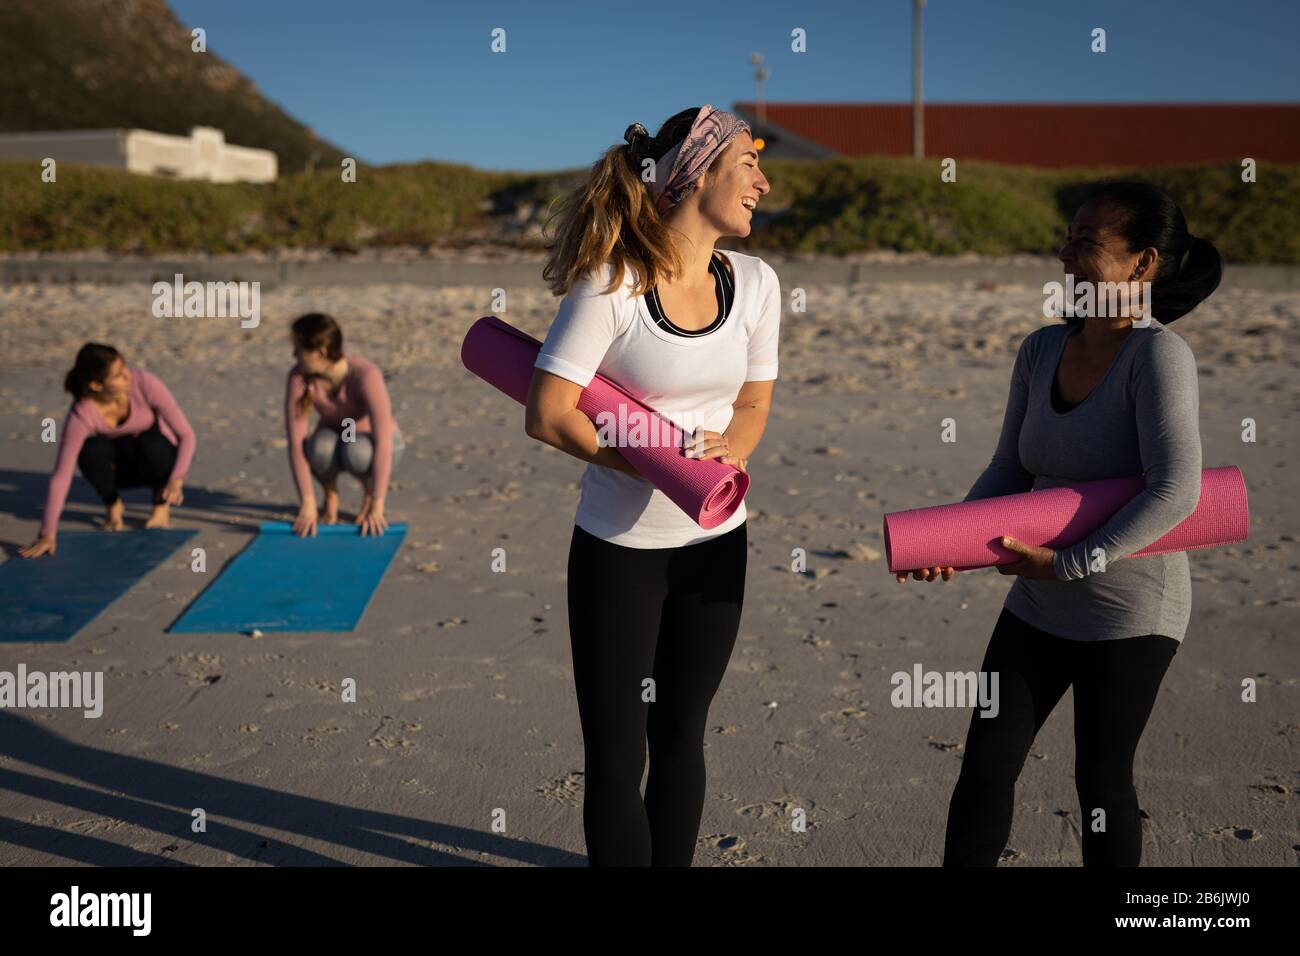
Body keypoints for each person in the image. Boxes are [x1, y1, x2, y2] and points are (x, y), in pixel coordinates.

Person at [900, 182, 1223, 866]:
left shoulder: (1158, 357)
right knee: (985, 765)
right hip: (1039, 601)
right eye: (1067, 239)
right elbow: (1009, 470)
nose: (1066, 256)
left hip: (1129, 611)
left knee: (1101, 784)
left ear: (1142, 265)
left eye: (1087, 244)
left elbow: (1177, 491)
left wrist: (1072, 562)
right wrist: (953, 541)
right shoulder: (1041, 349)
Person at [525, 105, 780, 866]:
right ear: (697, 173)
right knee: (615, 758)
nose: (762, 183)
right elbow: (547, 414)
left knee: (680, 738)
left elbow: (755, 403)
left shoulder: (757, 284)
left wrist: (728, 450)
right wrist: (650, 461)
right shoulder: (613, 283)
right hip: (619, 551)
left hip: (715, 545)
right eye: (748, 165)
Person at [20, 343, 196, 558]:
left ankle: (160, 506)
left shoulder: (145, 384)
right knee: (90, 450)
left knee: (153, 443)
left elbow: (187, 435)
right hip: (118, 471)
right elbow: (61, 476)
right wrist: (47, 533)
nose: (128, 376)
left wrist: (176, 480)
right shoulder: (82, 414)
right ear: (96, 385)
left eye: (125, 368)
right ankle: (113, 504)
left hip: (155, 463)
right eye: (118, 375)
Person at [284, 313, 404, 537]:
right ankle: (330, 494)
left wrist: (378, 506)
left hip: (374, 441)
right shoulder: (299, 378)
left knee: (355, 450)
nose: (294, 355)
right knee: (319, 447)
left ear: (320, 353)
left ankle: (368, 493)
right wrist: (307, 502)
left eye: (298, 349)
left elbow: (384, 442)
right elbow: (295, 443)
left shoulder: (366, 374)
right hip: (337, 435)